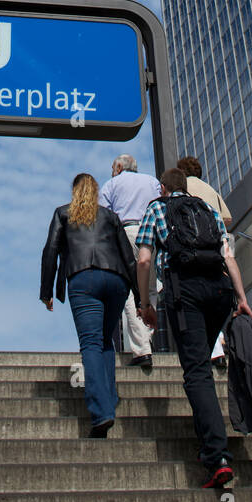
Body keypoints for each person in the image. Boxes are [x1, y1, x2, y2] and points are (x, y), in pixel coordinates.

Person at [135, 167, 252, 489]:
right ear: (187, 187)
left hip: (183, 292)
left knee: (197, 371)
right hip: (220, 291)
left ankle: (217, 457)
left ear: (162, 188)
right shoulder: (208, 210)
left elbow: (144, 260)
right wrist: (242, 298)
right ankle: (216, 442)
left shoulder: (157, 209)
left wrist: (145, 305)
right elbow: (228, 257)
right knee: (202, 360)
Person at [40, 172, 139, 437]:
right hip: (116, 280)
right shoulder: (110, 216)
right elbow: (129, 257)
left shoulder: (63, 213)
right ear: (96, 191)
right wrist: (140, 299)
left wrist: (46, 291)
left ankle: (101, 413)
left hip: (84, 279)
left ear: (74, 192)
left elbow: (50, 249)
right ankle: (110, 398)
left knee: (91, 343)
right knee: (105, 340)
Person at [98, 154, 161, 367]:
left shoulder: (112, 184)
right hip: (150, 233)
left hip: (124, 233)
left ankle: (142, 350)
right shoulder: (152, 181)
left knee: (127, 293)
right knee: (150, 289)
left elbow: (103, 216)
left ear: (118, 167)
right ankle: (147, 339)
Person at [177, 156, 232, 369]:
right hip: (216, 248)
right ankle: (218, 346)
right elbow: (227, 218)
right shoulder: (210, 189)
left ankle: (213, 350)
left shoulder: (182, 188)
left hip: (193, 250)